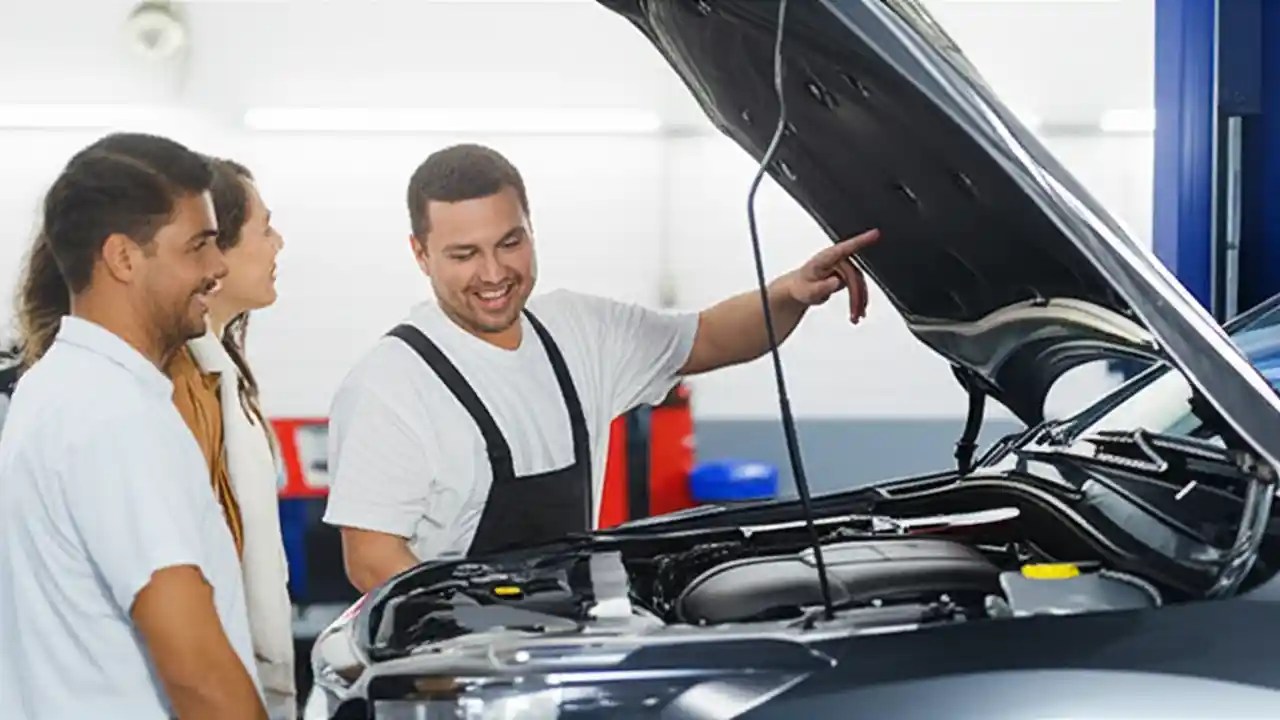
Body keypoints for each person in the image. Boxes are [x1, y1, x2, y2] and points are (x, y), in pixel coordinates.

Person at [322, 142, 880, 593]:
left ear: (531, 229)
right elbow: (371, 558)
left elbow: (710, 336)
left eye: (509, 243)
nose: (493, 273)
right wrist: (465, 653)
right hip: (454, 661)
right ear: (420, 253)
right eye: (464, 254)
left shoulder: (577, 330)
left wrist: (790, 292)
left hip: (565, 638)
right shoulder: (390, 384)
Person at [12, 152, 295, 718]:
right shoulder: (115, 415)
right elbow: (198, 673)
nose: (216, 265)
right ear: (122, 258)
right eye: (198, 246)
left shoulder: (58, 385)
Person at [166, 157, 296, 719]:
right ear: (213, 250)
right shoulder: (178, 388)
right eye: (264, 228)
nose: (278, 242)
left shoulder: (221, 373)